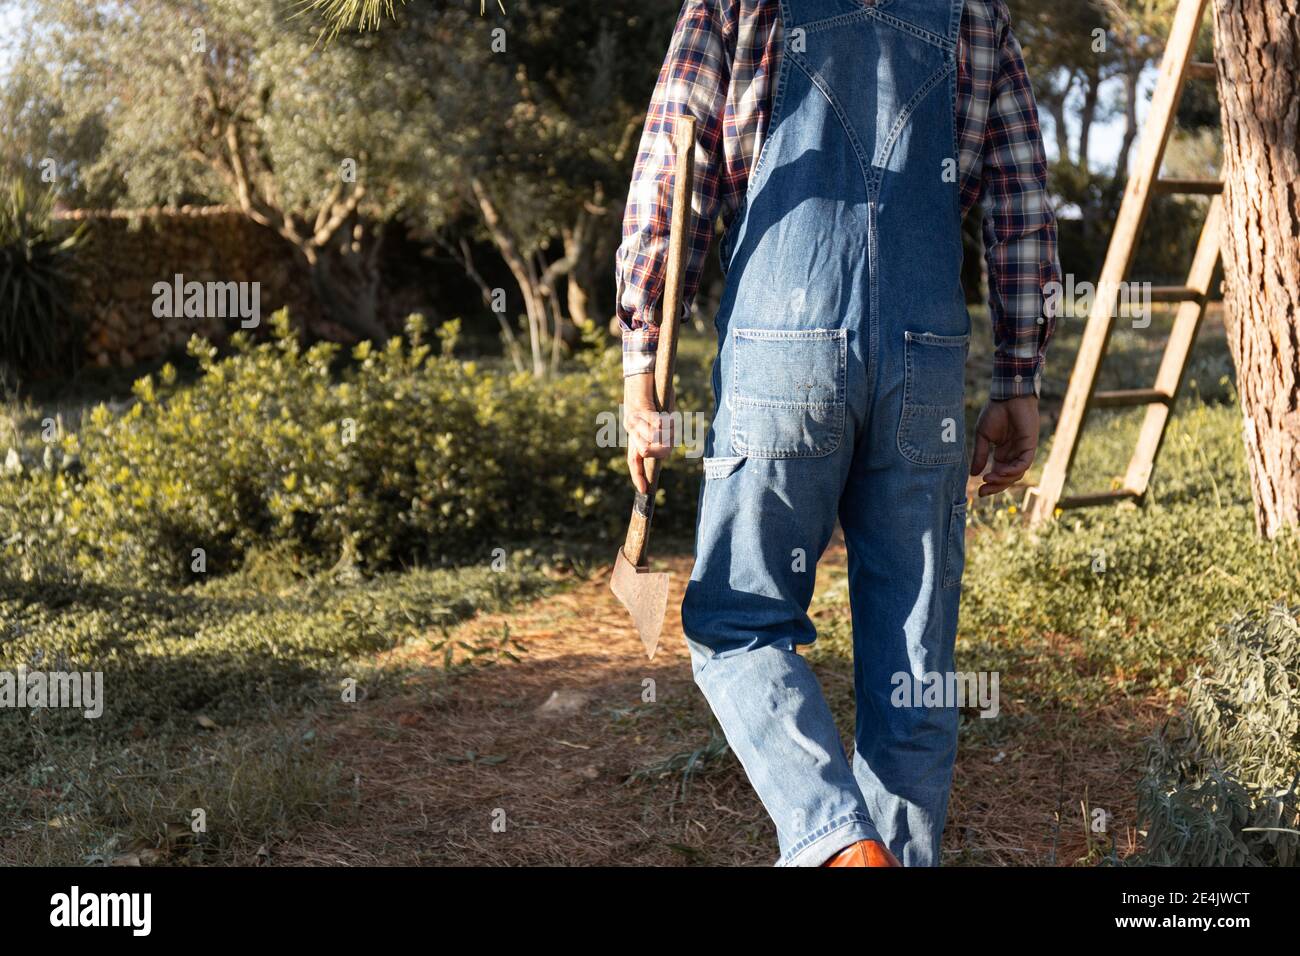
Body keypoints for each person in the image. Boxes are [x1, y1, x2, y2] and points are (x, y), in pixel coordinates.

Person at [615, 0, 1059, 866]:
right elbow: (1021, 189)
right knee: (914, 662)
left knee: (739, 621)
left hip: (783, 338)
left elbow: (673, 160)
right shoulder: (974, 11)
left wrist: (642, 365)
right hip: (925, 351)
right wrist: (1018, 377)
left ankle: (838, 842)